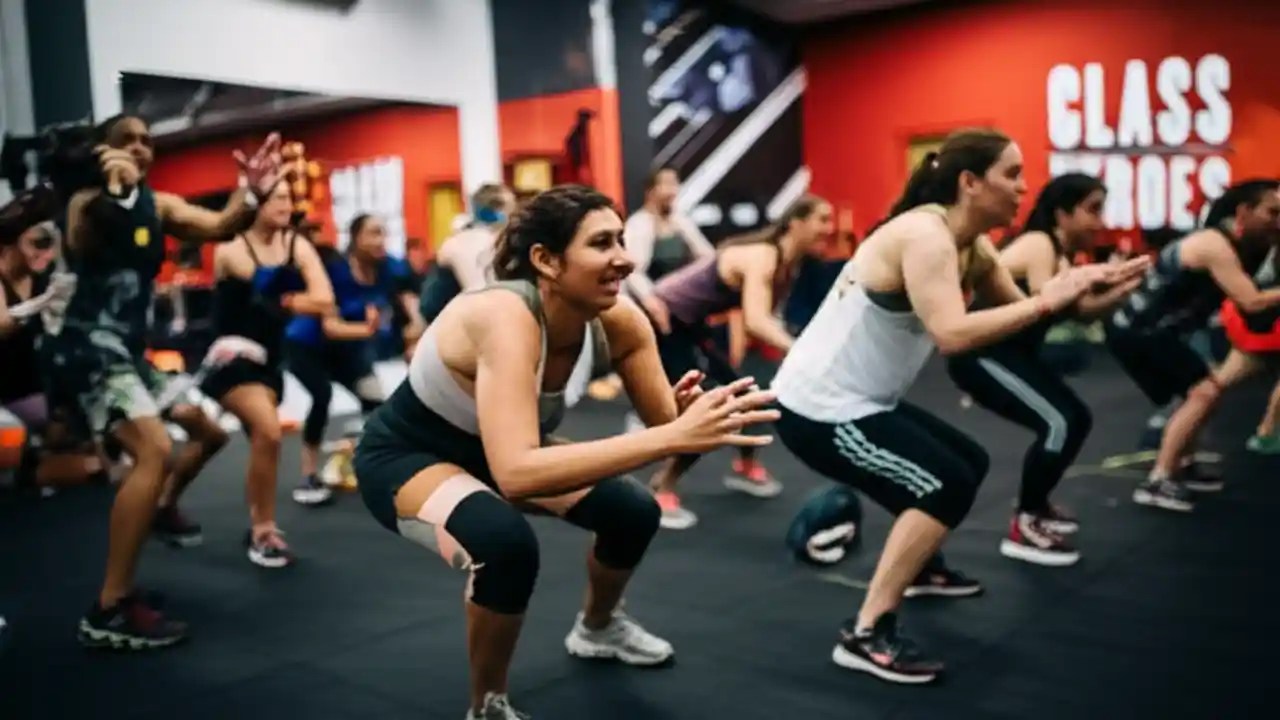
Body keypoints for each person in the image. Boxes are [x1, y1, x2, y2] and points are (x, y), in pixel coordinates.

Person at [352, 185, 779, 719]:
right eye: (602, 243)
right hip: (406, 455)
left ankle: (598, 628)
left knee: (632, 511)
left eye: (622, 240)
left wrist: (683, 412)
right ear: (546, 260)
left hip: (499, 447)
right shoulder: (506, 317)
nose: (624, 258)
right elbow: (517, 476)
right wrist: (671, 436)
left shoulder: (620, 321)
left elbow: (664, 425)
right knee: (504, 545)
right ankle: (486, 706)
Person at [769, 129, 1149, 684]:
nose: (1025, 188)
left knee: (968, 461)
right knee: (939, 483)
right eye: (1012, 175)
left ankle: (920, 569)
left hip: (863, 402)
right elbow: (951, 334)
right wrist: (1052, 296)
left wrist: (1090, 289)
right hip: (820, 410)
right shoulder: (926, 236)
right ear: (970, 182)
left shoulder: (972, 244)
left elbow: (1027, 316)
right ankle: (867, 631)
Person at [43, 115, 281, 649]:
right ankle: (109, 609)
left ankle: (154, 507)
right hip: (83, 349)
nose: (141, 148)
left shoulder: (160, 203)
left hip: (128, 354)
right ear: (103, 152)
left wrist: (253, 195)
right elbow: (81, 240)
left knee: (208, 430)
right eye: (127, 140)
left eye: (148, 141)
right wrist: (117, 189)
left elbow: (219, 225)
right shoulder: (83, 203)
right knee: (152, 449)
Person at [945, 173, 1141, 566]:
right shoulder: (1038, 245)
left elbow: (1080, 313)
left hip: (1010, 354)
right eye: (1092, 210)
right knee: (1062, 422)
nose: (1100, 222)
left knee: (1074, 419)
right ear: (1062, 213)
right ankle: (1025, 523)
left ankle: (1036, 504)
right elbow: (1044, 302)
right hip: (981, 354)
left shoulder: (1060, 254)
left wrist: (1124, 287)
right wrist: (1095, 283)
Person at [645, 194, 834, 530]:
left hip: (692, 322)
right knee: (707, 408)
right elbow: (758, 321)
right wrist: (803, 352)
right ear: (796, 222)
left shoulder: (789, 264)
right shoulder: (764, 256)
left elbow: (759, 317)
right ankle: (663, 486)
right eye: (822, 219)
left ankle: (744, 468)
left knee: (747, 392)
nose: (829, 228)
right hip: (663, 319)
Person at [1105, 179, 1280, 512]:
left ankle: (1181, 464)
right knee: (1204, 393)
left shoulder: (1247, 245)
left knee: (1205, 392)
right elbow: (1252, 301)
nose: (1277, 220)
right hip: (1140, 333)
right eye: (1272, 213)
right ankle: (1158, 480)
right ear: (1244, 211)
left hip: (1159, 333)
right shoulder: (1214, 245)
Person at [197, 180, 334, 567]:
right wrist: (295, 297)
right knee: (269, 432)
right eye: (275, 198)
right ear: (252, 205)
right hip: (230, 357)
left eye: (288, 198)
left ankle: (165, 501)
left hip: (269, 362)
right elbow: (264, 287)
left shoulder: (297, 244)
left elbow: (325, 301)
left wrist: (289, 298)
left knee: (220, 440)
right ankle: (262, 532)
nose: (285, 205)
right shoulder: (232, 249)